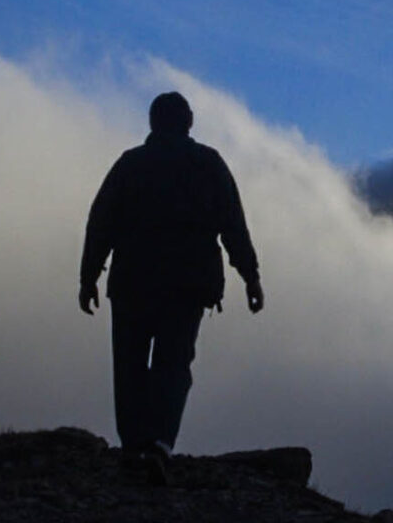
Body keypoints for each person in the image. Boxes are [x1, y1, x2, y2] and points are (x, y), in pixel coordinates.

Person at [79, 91, 263, 481]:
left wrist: (89, 276)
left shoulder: (131, 165)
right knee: (173, 365)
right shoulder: (208, 164)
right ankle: (160, 445)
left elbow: (101, 223)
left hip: (132, 281)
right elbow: (233, 224)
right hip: (189, 283)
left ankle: (133, 446)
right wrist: (250, 276)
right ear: (189, 121)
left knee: (129, 365)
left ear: (152, 122)